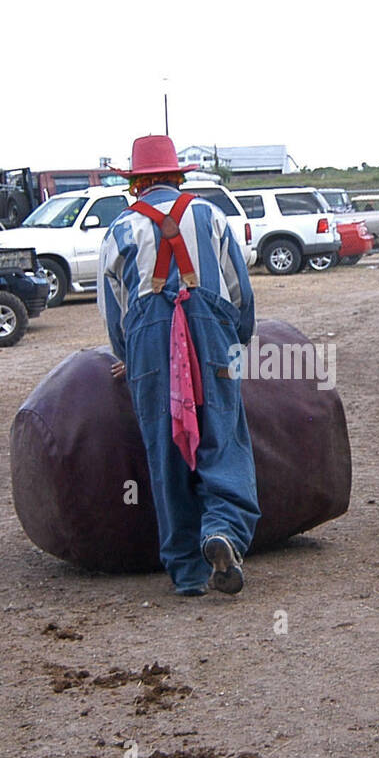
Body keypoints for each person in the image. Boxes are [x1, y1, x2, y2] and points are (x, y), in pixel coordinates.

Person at [98, 135, 260, 596]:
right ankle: (223, 531)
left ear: (138, 185)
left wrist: (129, 360)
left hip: (150, 341)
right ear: (176, 177)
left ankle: (188, 570)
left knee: (164, 447)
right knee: (222, 437)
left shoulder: (119, 230)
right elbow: (239, 288)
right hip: (212, 332)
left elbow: (115, 310)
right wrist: (240, 336)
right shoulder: (209, 215)